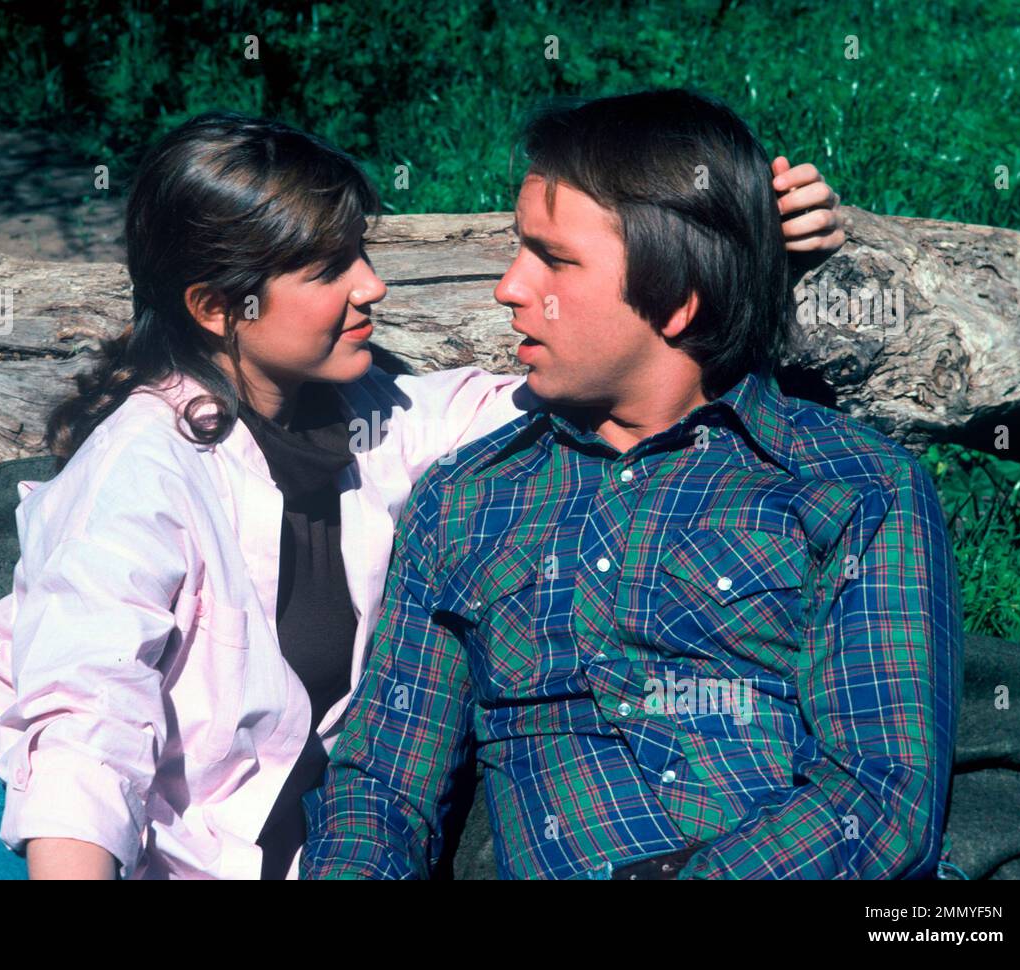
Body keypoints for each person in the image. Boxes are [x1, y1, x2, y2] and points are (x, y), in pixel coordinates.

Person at [0, 103, 843, 880]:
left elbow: (602, 380)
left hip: (184, 843)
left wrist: (739, 253)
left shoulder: (379, 420)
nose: (372, 286)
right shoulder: (143, 465)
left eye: (362, 252)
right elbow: (84, 726)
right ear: (219, 307)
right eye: (329, 268)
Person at [301, 89, 961, 880]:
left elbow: (880, 797)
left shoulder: (852, 485)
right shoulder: (464, 501)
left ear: (677, 300)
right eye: (519, 250)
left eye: (553, 259)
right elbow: (381, 790)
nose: (509, 287)